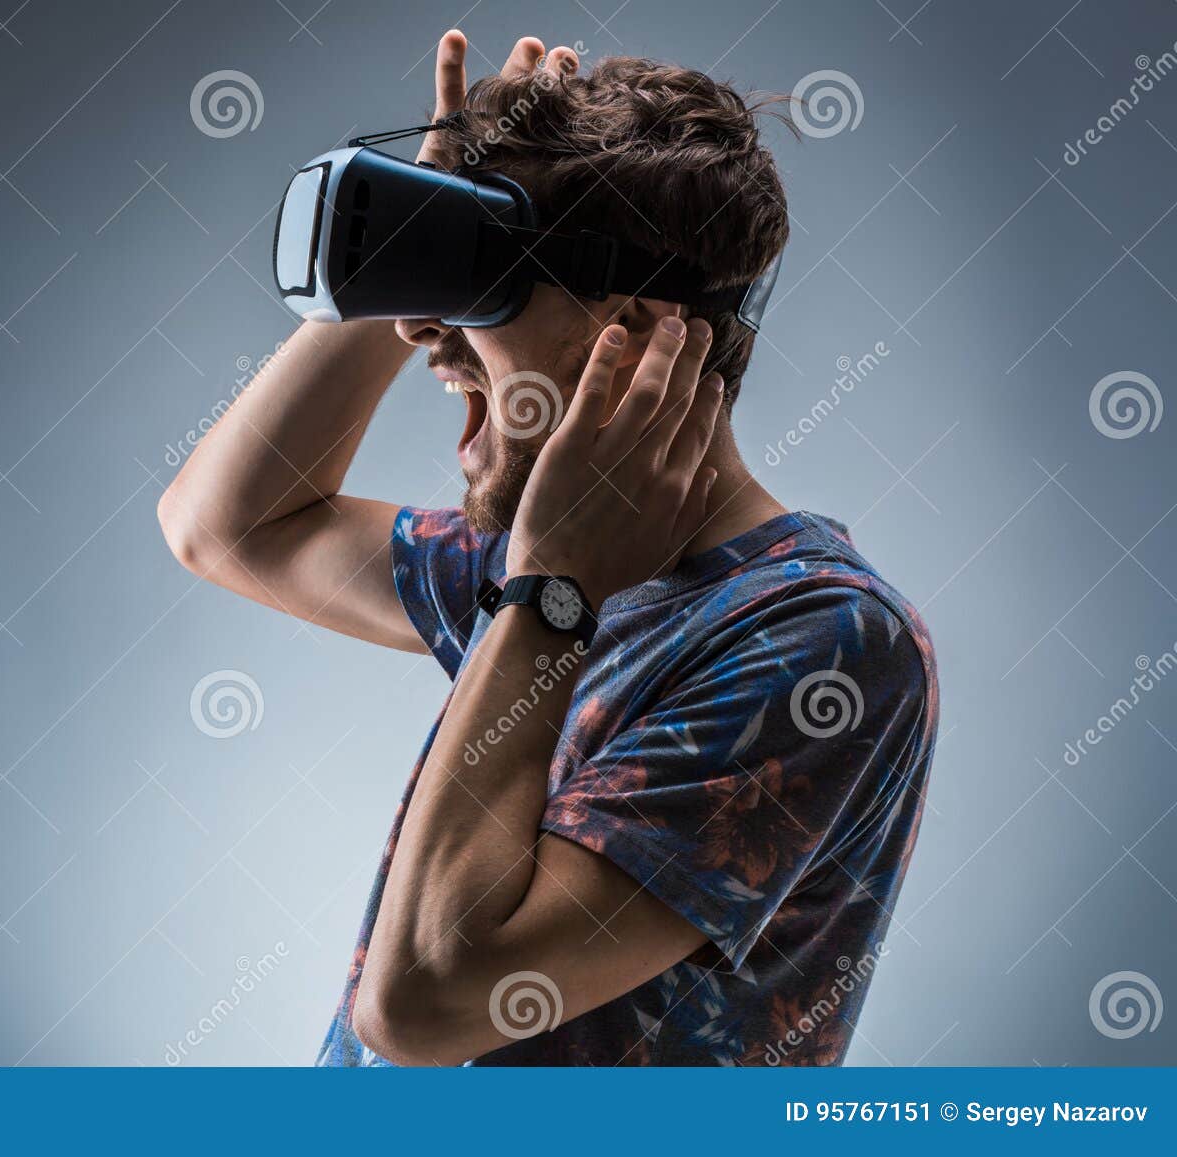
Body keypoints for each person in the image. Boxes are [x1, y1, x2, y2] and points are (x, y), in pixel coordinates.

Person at [158, 31, 938, 1066]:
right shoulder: (539, 569)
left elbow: (425, 1003)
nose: (419, 333)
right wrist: (413, 225)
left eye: (481, 288)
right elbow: (228, 524)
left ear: (633, 332)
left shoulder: (821, 636)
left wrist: (552, 592)